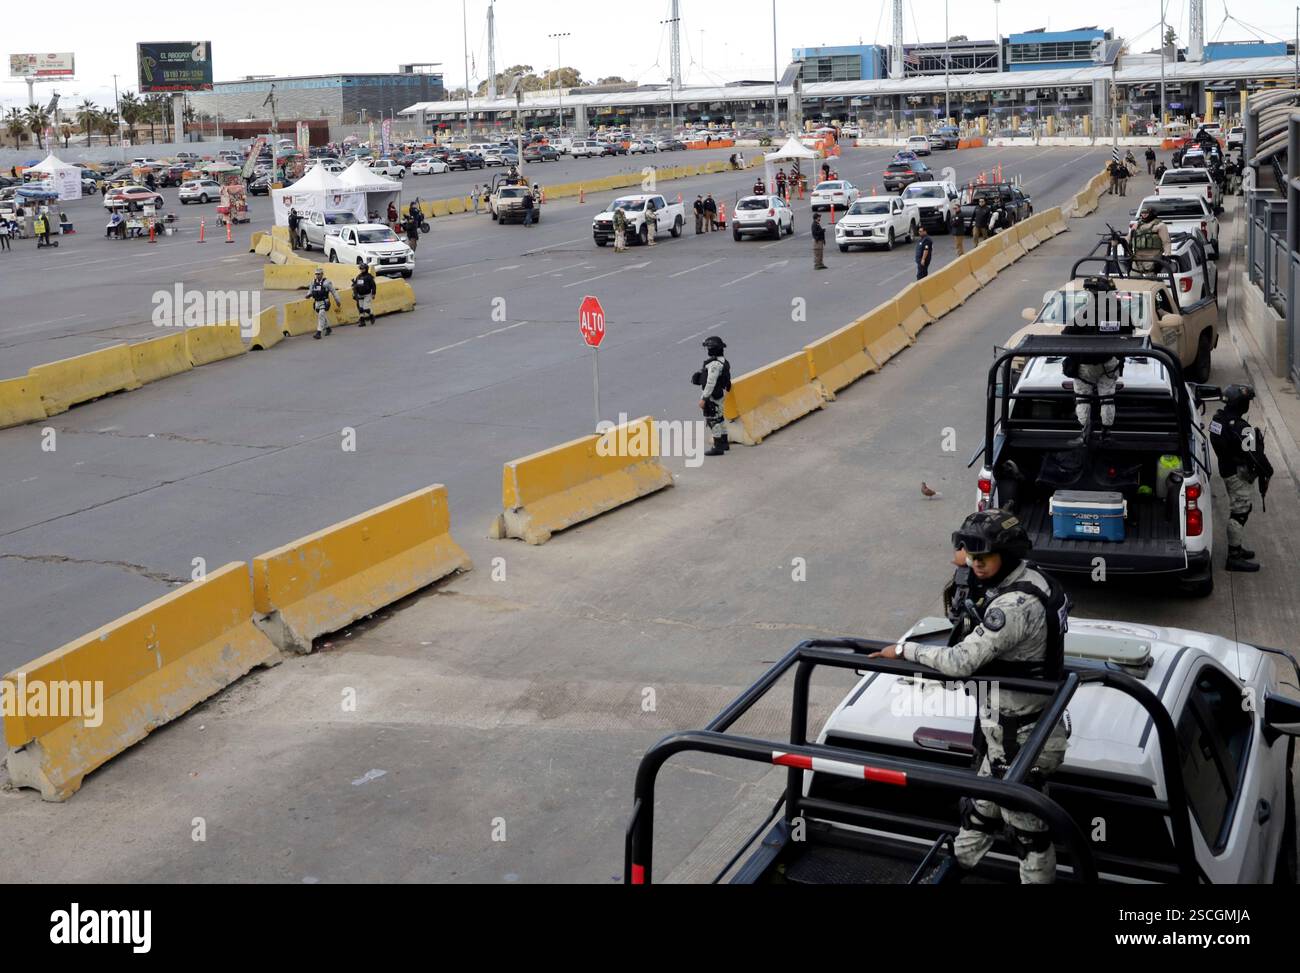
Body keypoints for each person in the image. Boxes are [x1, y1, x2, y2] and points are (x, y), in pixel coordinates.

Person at [870, 510, 1072, 884]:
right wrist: (968, 553)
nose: (974, 565)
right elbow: (968, 559)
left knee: (1029, 835)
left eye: (984, 558)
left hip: (1019, 741)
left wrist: (903, 651)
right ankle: (950, 871)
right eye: (970, 556)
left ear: (1006, 555)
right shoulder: (1033, 578)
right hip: (1011, 734)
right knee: (980, 813)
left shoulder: (1013, 607)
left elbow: (959, 661)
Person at [1210, 385, 1274, 572]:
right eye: (1246, 402)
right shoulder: (1241, 428)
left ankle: (1237, 548)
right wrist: (1268, 472)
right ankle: (1234, 556)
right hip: (1237, 474)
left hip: (1226, 470)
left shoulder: (1217, 420)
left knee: (1241, 508)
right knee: (1240, 512)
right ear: (1240, 405)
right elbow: (1255, 456)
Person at [693, 336, 732, 457]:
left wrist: (704, 399)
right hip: (719, 394)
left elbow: (710, 383)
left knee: (713, 420)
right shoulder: (722, 360)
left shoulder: (714, 364)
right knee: (720, 418)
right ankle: (724, 442)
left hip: (713, 396)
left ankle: (718, 446)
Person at [1129, 205, 1170, 274]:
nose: (1144, 215)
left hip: (1153, 257)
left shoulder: (1160, 225)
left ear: (1152, 213)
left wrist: (1168, 255)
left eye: (1146, 213)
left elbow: (1166, 242)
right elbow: (1128, 238)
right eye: (1142, 213)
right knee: (1133, 275)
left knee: (1150, 276)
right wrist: (1117, 241)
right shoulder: (1137, 225)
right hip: (1137, 257)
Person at [308, 268, 341, 340]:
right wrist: (308, 295)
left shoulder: (327, 282)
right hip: (317, 302)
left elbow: (333, 292)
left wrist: (338, 301)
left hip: (325, 301)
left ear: (322, 274)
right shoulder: (313, 282)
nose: (317, 275)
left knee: (321, 315)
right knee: (322, 316)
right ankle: (328, 328)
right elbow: (310, 291)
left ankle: (318, 332)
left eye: (319, 274)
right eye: (316, 274)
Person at [352, 260, 377, 327]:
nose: (361, 270)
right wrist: (354, 293)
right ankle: (362, 321)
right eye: (361, 268)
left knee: (366, 308)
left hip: (367, 294)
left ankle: (371, 315)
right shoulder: (358, 277)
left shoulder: (369, 277)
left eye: (363, 268)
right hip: (360, 295)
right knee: (360, 308)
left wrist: (373, 293)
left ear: (366, 269)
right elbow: (356, 285)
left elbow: (373, 286)